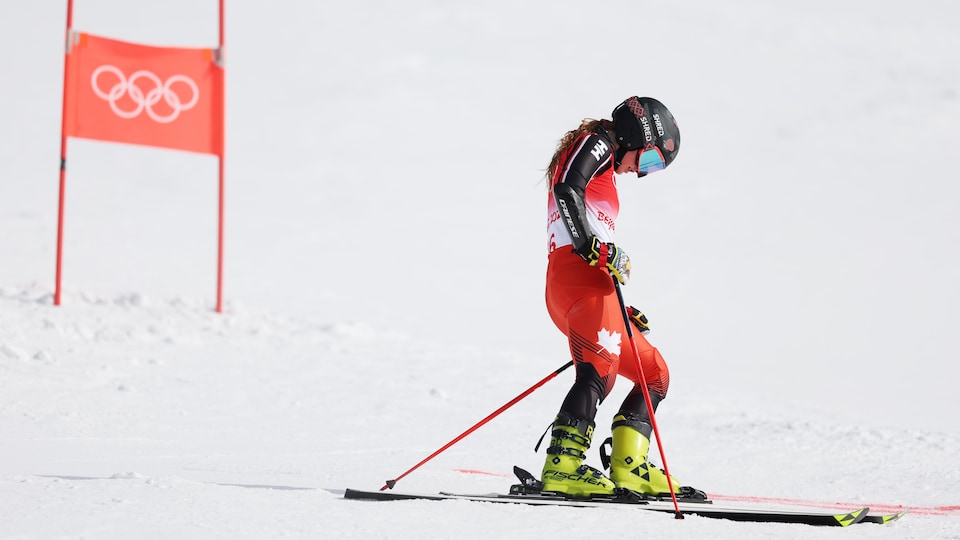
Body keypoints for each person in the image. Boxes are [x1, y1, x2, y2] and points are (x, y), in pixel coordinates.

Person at [541, 96, 682, 497]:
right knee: (599, 370)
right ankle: (563, 466)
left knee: (654, 374)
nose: (642, 172)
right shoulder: (597, 142)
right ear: (639, 134)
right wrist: (590, 246)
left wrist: (618, 306)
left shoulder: (605, 161)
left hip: (596, 287)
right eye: (649, 160)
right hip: (575, 278)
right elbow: (567, 187)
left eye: (653, 168)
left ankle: (629, 466)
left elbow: (591, 227)